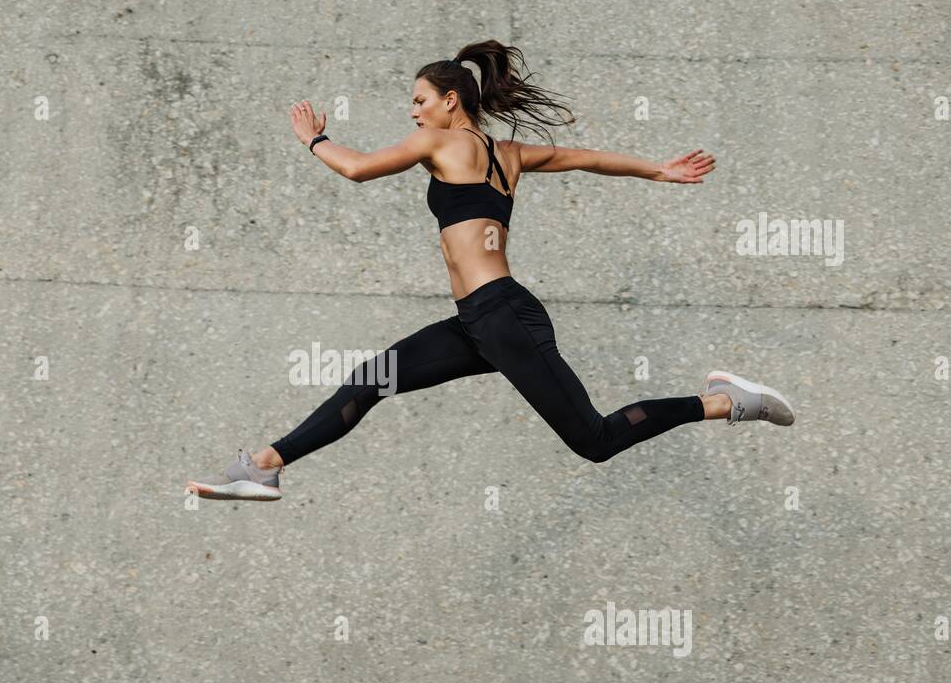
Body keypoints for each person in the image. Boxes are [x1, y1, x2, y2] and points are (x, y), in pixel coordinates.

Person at [187, 39, 793, 502]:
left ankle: (726, 402)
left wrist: (315, 140)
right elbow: (582, 158)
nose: (414, 111)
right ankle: (264, 467)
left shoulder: (442, 144)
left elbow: (358, 168)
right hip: (479, 320)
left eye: (420, 100)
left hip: (503, 316)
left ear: (451, 101)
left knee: (596, 440)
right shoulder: (508, 156)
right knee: (371, 380)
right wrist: (655, 169)